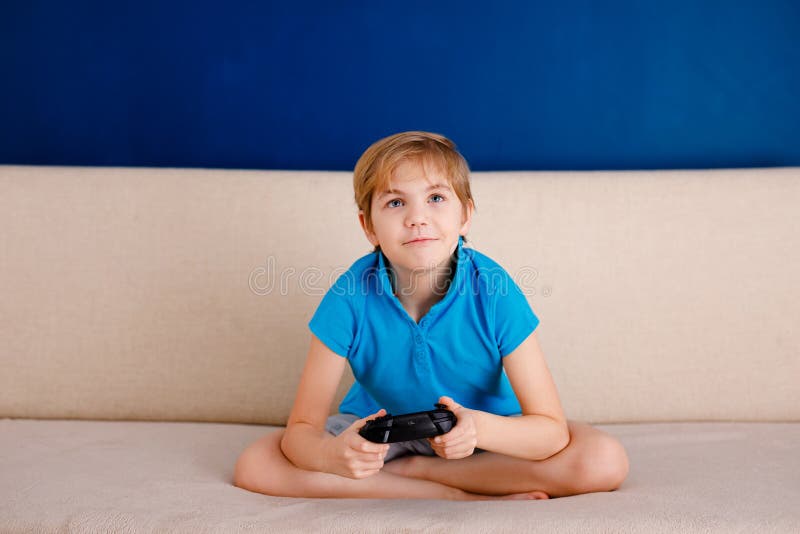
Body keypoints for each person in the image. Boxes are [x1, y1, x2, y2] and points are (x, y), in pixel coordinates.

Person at [234, 131, 629, 500]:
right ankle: (435, 492)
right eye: (395, 202)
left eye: (436, 198)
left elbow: (550, 432)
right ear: (368, 226)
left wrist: (478, 429)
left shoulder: (495, 291)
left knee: (604, 460)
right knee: (255, 464)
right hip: (385, 436)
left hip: (482, 437)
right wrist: (333, 456)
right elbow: (300, 431)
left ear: (465, 216)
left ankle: (423, 474)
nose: (417, 217)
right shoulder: (348, 296)